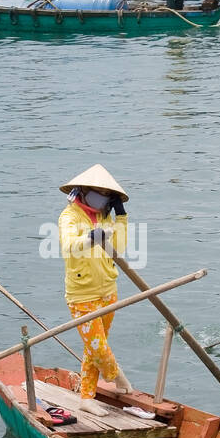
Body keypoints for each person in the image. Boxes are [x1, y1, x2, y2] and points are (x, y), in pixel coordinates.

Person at [58, 164, 135, 416]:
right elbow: (71, 246)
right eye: (99, 193)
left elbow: (119, 247)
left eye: (107, 195)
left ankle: (86, 397)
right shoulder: (69, 217)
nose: (103, 199)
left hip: (108, 291)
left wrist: (121, 218)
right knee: (98, 347)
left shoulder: (105, 217)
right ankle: (118, 376)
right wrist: (92, 237)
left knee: (93, 349)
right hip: (82, 295)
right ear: (85, 191)